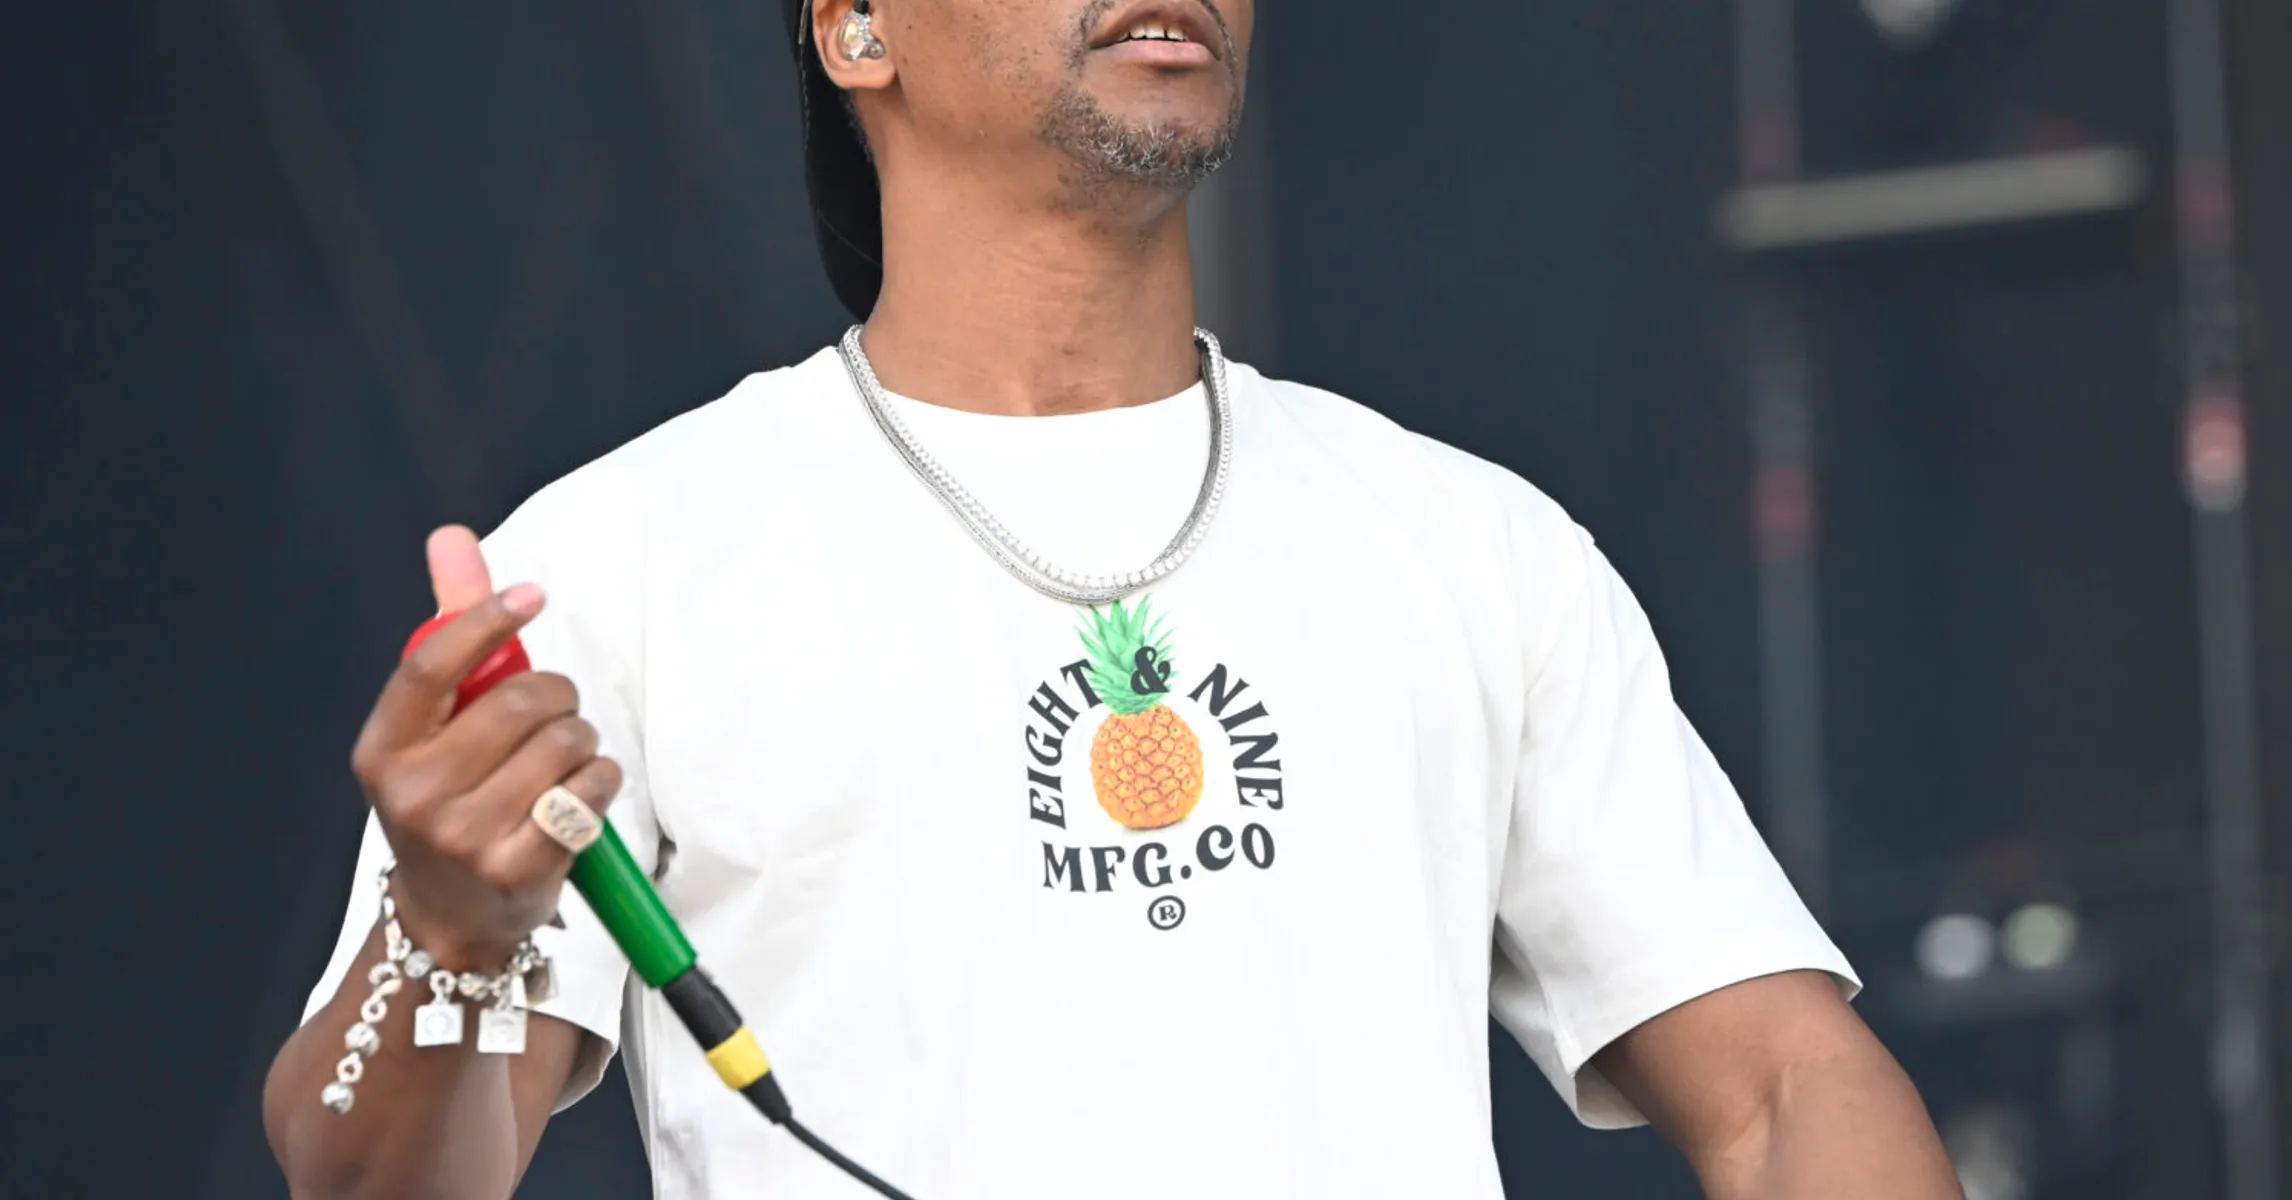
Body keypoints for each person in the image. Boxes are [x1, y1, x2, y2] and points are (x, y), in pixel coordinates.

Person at [263, 1, 1963, 1197]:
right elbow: (364, 1179)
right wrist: (444, 935)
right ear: (856, 28)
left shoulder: (1462, 542)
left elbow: (1784, 1090)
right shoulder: (622, 561)